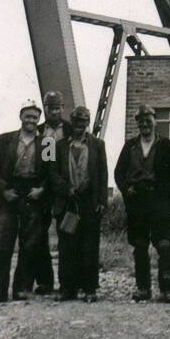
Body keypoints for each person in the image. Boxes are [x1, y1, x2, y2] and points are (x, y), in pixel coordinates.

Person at [114, 105, 170, 302]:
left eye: (148, 120)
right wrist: (127, 191)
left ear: (155, 121)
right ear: (137, 124)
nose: (145, 124)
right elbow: (119, 173)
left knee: (164, 245)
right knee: (140, 246)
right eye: (141, 120)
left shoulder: (166, 145)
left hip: (159, 201)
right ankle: (143, 289)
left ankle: (168, 289)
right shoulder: (130, 146)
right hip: (137, 203)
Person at [0, 103, 49, 302]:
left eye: (35, 118)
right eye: (28, 116)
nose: (31, 121)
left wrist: (42, 189)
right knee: (2, 244)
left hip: (32, 194)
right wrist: (4, 191)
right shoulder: (5, 140)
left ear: (39, 120)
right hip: (9, 194)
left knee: (30, 245)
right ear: (21, 117)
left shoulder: (47, 143)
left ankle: (22, 288)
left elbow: (52, 172)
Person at [50, 105, 108, 301]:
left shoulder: (98, 145)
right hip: (67, 203)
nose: (79, 125)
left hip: (89, 203)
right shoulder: (57, 146)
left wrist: (102, 201)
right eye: (76, 121)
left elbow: (102, 173)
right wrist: (67, 189)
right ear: (71, 122)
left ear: (87, 123)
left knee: (89, 246)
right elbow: (52, 173)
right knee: (67, 246)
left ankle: (89, 289)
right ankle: (67, 288)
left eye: (83, 122)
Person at [35, 91, 70, 294]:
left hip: (62, 190)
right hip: (43, 190)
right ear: (45, 109)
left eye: (58, 108)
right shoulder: (39, 131)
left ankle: (68, 282)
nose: (54, 112)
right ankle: (45, 281)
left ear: (62, 108)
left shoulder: (70, 129)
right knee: (40, 237)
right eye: (50, 108)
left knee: (65, 235)